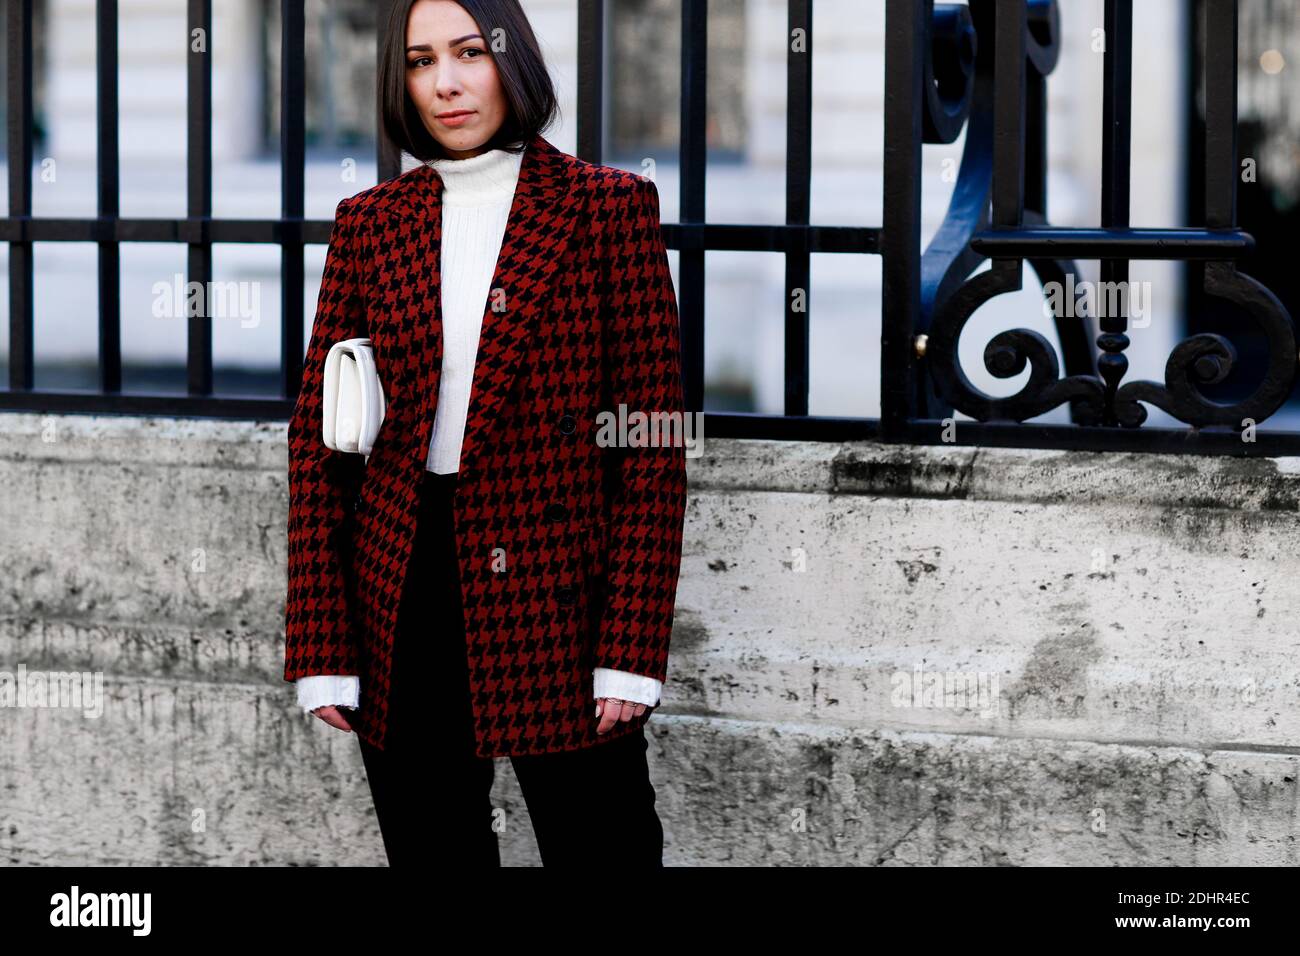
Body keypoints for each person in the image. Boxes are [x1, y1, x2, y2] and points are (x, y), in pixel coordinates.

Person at [283, 0, 688, 867]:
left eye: (470, 52)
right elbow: (316, 447)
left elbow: (653, 447)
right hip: (401, 586)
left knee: (606, 847)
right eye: (421, 61)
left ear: (514, 62)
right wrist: (322, 639)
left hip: (559, 596)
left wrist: (629, 649)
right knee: (433, 851)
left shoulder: (608, 209)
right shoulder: (369, 222)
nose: (447, 82)